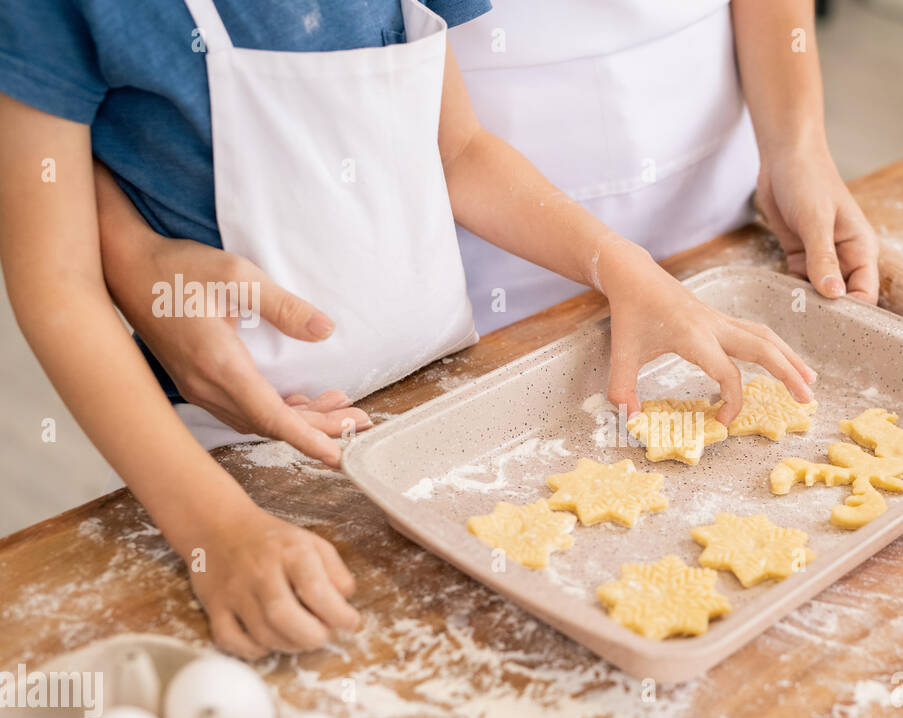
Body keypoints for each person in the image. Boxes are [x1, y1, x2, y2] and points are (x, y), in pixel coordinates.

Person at [0, 0, 813, 659]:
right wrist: (215, 528)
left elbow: (459, 151)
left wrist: (622, 268)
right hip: (244, 450)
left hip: (439, 404)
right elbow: (56, 284)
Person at [89, 0, 879, 465]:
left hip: (696, 236)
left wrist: (796, 142)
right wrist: (132, 259)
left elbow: (461, 148)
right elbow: (47, 165)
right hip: (448, 288)